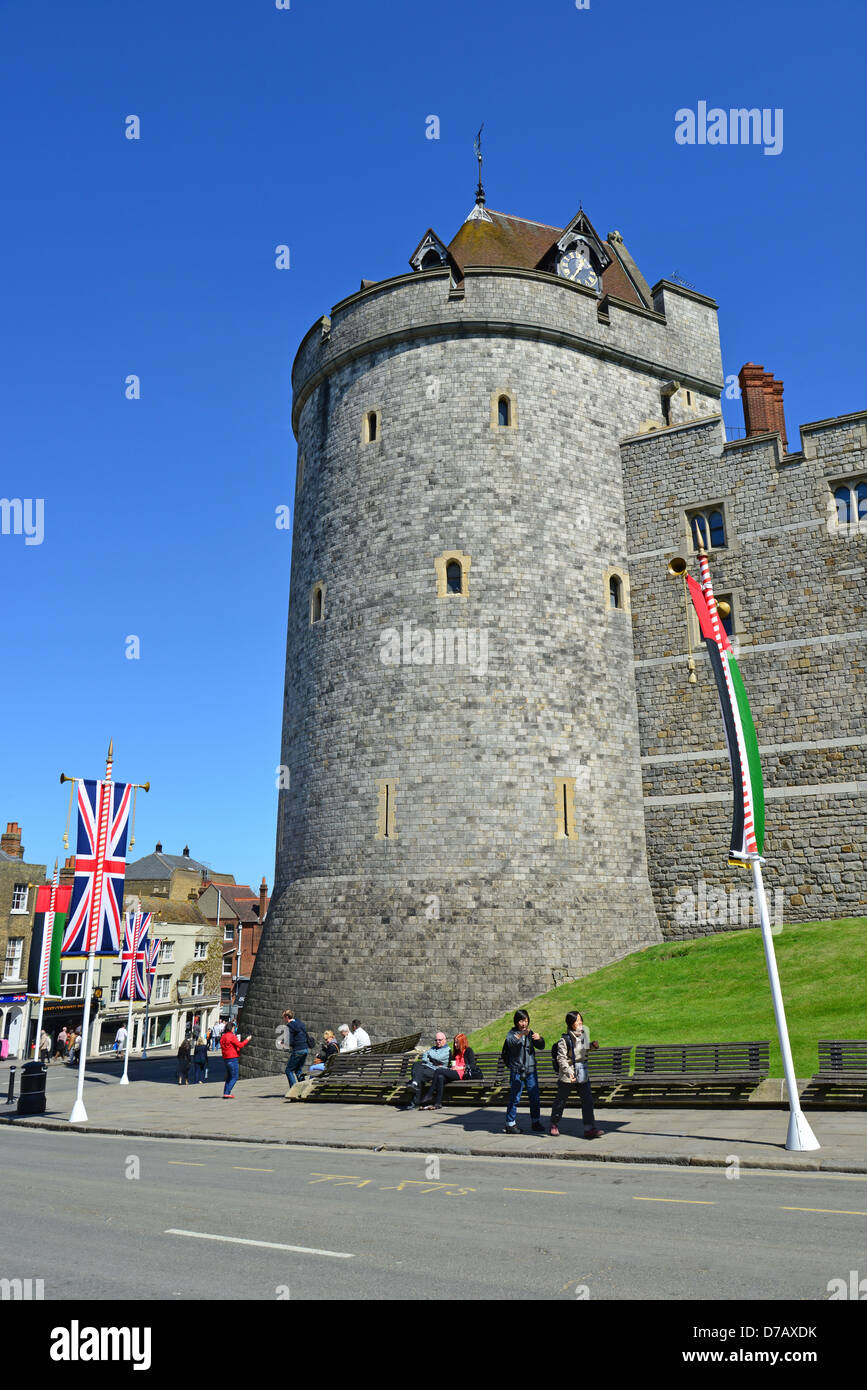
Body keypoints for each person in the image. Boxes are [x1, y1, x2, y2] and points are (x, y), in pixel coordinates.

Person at [549, 1010, 604, 1139]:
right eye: (577, 1020)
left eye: (581, 1020)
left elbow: (585, 1049)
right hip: (568, 1074)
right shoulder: (565, 1040)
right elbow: (561, 1058)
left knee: (587, 1101)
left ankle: (589, 1128)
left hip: (582, 1071)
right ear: (570, 1023)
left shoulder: (584, 1034)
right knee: (561, 1100)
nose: (580, 1022)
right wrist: (569, 1072)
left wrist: (593, 1046)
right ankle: (554, 1124)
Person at [502, 1009, 546, 1135]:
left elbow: (541, 1046)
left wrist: (539, 1039)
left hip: (531, 1070)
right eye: (521, 1021)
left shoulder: (530, 1033)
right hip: (517, 1070)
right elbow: (511, 1042)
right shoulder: (511, 1034)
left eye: (526, 1020)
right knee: (515, 1097)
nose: (524, 1023)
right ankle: (510, 1124)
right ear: (516, 1022)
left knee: (535, 1097)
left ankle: (536, 1121)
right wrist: (521, 1034)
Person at [419, 1032, 483, 1109]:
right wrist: (451, 1067)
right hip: (455, 1072)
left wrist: (460, 1067)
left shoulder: (468, 1050)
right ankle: (438, 1103)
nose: (455, 1045)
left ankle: (429, 1094)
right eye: (455, 1042)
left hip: (462, 1074)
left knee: (439, 1071)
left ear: (462, 1042)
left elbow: (473, 1065)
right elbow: (451, 1064)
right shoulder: (456, 1052)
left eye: (457, 1043)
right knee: (440, 1077)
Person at [401, 1032, 450, 1111]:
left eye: (440, 1040)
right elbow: (424, 1056)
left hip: (436, 1071)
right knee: (417, 1064)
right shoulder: (433, 1048)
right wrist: (431, 1060)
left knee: (418, 1075)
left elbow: (439, 1058)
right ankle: (415, 1084)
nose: (438, 1042)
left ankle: (415, 1100)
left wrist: (430, 1059)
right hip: (427, 1067)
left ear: (445, 1040)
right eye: (436, 1040)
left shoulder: (447, 1050)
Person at [220, 1021, 251, 1097]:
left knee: (229, 1076)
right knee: (234, 1077)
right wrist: (247, 1039)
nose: (234, 1029)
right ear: (231, 1028)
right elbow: (240, 1045)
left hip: (226, 1058)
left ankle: (225, 1092)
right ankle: (227, 1093)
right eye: (233, 1028)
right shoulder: (231, 1036)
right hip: (232, 1058)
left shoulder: (223, 1036)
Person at [282, 1009, 310, 1087]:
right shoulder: (300, 1023)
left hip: (298, 1050)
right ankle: (304, 1088)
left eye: (283, 1017)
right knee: (298, 1070)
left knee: (288, 1070)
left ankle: (294, 1089)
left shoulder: (289, 1026)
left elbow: (290, 1042)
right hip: (305, 1049)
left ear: (287, 1017)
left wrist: (283, 1043)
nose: (283, 1020)